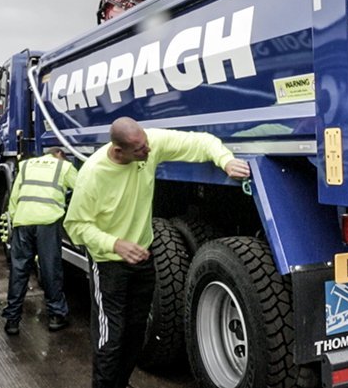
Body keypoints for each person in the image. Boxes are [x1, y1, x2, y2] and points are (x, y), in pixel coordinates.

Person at [64, 117, 250, 388]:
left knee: (136, 333)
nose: (148, 150)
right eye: (140, 149)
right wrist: (114, 244)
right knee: (111, 337)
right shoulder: (93, 174)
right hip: (108, 264)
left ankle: (121, 382)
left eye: (146, 144)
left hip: (141, 259)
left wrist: (225, 160)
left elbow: (200, 142)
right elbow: (75, 225)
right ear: (119, 151)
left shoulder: (149, 144)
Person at [1, 147, 78, 336]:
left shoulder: (25, 165)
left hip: (23, 221)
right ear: (59, 154)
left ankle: (12, 320)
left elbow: (14, 197)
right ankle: (56, 316)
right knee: (50, 269)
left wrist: (15, 221)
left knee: (19, 271)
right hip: (47, 223)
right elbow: (83, 190)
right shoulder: (64, 167)